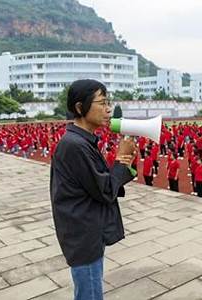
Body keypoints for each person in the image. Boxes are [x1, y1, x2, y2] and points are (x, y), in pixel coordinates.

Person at [50, 79, 137, 300]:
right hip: (84, 235)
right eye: (102, 103)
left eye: (108, 102)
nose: (108, 109)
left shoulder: (80, 142)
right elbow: (106, 190)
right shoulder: (75, 146)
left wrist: (121, 164)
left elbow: (98, 184)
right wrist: (120, 161)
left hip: (85, 232)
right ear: (80, 108)